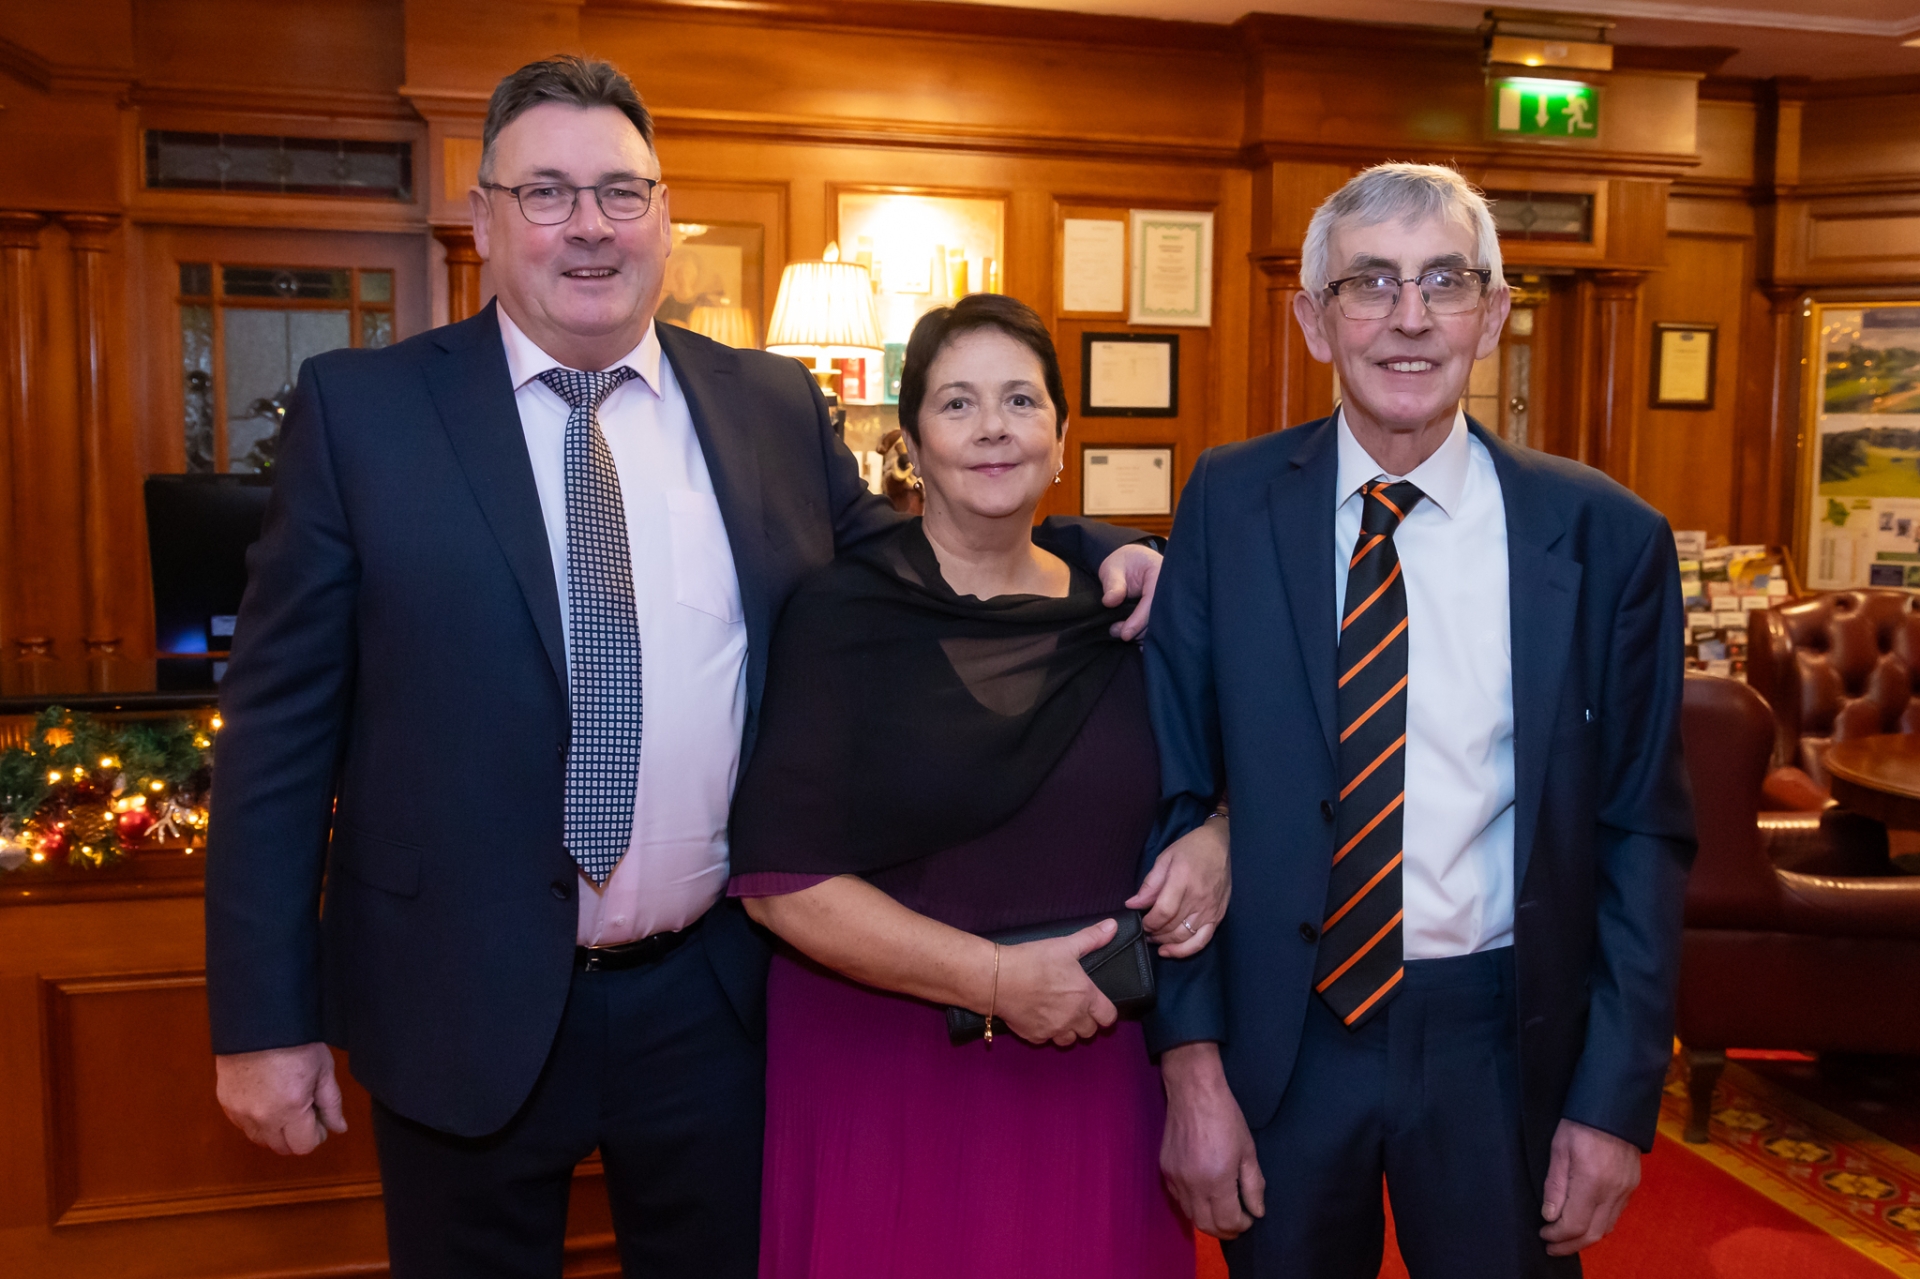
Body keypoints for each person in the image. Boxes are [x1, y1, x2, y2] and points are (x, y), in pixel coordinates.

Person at [202, 57, 1162, 1279]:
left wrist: (1096, 544)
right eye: (546, 192)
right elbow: (277, 739)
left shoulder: (767, 403)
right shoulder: (364, 414)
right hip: (458, 994)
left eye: (621, 191)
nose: (589, 225)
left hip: (712, 999)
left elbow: (918, 561)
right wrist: (264, 1020)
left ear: (665, 217)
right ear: (484, 218)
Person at [1144, 163, 1694, 1278]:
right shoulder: (1227, 505)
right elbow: (1172, 791)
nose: (1409, 316)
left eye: (1445, 280)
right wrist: (1191, 1066)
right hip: (1285, 1038)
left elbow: (1643, 835)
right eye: (1370, 282)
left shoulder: (1608, 538)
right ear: (1314, 321)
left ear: (1492, 315)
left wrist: (1613, 1102)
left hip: (1498, 1039)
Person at [728, 293, 1214, 1279]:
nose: (994, 426)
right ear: (911, 445)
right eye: (957, 403)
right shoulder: (841, 617)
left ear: (1061, 437)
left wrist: (1222, 835)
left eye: (1020, 400)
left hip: (1094, 1063)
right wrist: (995, 981)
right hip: (883, 1065)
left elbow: (1225, 776)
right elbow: (780, 884)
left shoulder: (1130, 613)